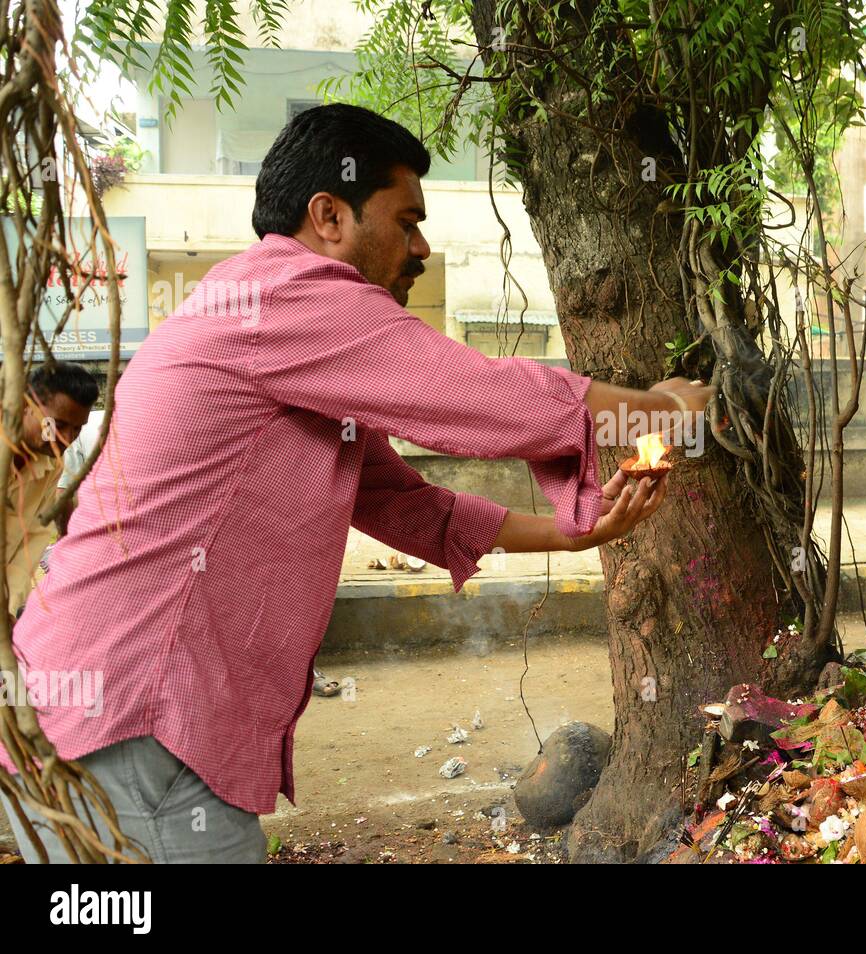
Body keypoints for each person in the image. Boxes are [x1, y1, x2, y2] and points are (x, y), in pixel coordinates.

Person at [0, 103, 713, 863]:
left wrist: (577, 532)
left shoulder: (262, 315)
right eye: (406, 222)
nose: (421, 248)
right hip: (136, 726)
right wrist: (660, 411)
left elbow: (403, 503)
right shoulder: (287, 295)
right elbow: (477, 392)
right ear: (329, 214)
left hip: (91, 719)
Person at [5, 362, 96, 624]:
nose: (67, 438)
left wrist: (9, 607)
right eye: (57, 425)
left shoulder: (52, 465)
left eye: (77, 429)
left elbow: (30, 540)